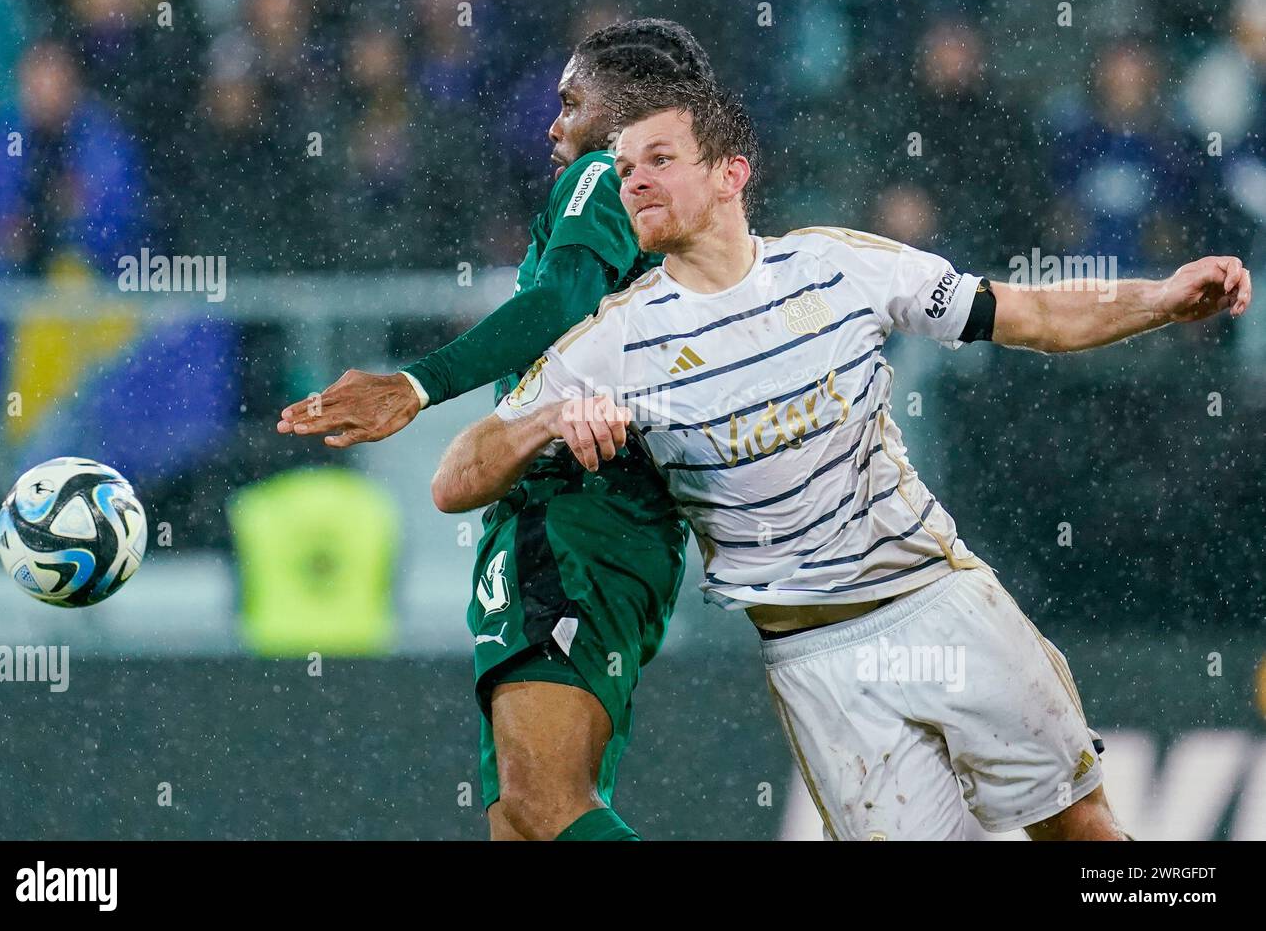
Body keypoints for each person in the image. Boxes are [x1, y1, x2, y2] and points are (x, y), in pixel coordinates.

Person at [430, 77, 1252, 839]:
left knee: (1083, 834)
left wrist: (1160, 298)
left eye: (660, 159)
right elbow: (453, 478)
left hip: (941, 600)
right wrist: (549, 422)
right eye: (623, 167)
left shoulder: (836, 265)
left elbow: (1029, 313)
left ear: (730, 174)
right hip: (815, 656)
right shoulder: (614, 340)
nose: (632, 180)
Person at [278, 19, 715, 841]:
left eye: (570, 101)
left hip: (573, 513)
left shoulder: (600, 171)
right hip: (609, 525)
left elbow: (559, 300)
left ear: (625, 119)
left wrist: (417, 382)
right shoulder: (677, 213)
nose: (554, 125)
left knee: (541, 804)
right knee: (522, 825)